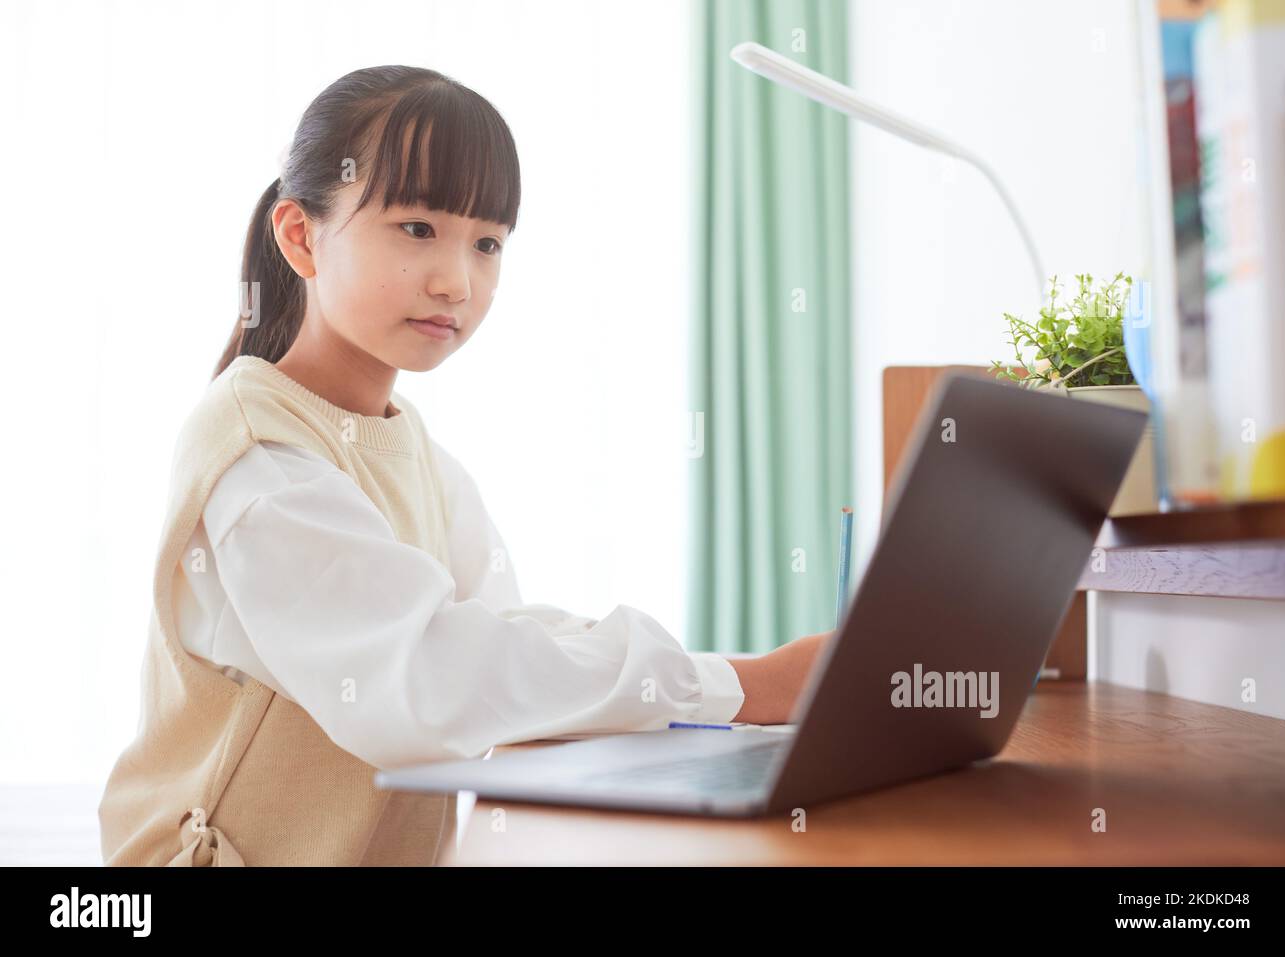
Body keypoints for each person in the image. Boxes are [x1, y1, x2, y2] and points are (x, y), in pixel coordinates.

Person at [98, 65, 831, 867]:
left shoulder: (406, 443)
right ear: (301, 236)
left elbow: (499, 643)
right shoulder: (262, 460)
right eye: (418, 228)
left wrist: (726, 693)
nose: (458, 281)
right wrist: (747, 683)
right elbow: (432, 683)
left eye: (487, 243)